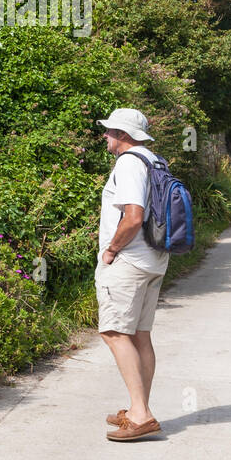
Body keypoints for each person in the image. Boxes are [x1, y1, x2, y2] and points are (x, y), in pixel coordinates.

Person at [95, 108, 170, 441]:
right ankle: (138, 407)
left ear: (123, 134)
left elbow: (134, 217)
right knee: (140, 334)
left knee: (112, 331)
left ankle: (140, 414)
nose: (105, 136)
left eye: (110, 131)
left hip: (129, 261)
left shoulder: (127, 163)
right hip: (154, 259)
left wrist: (111, 250)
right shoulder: (155, 160)